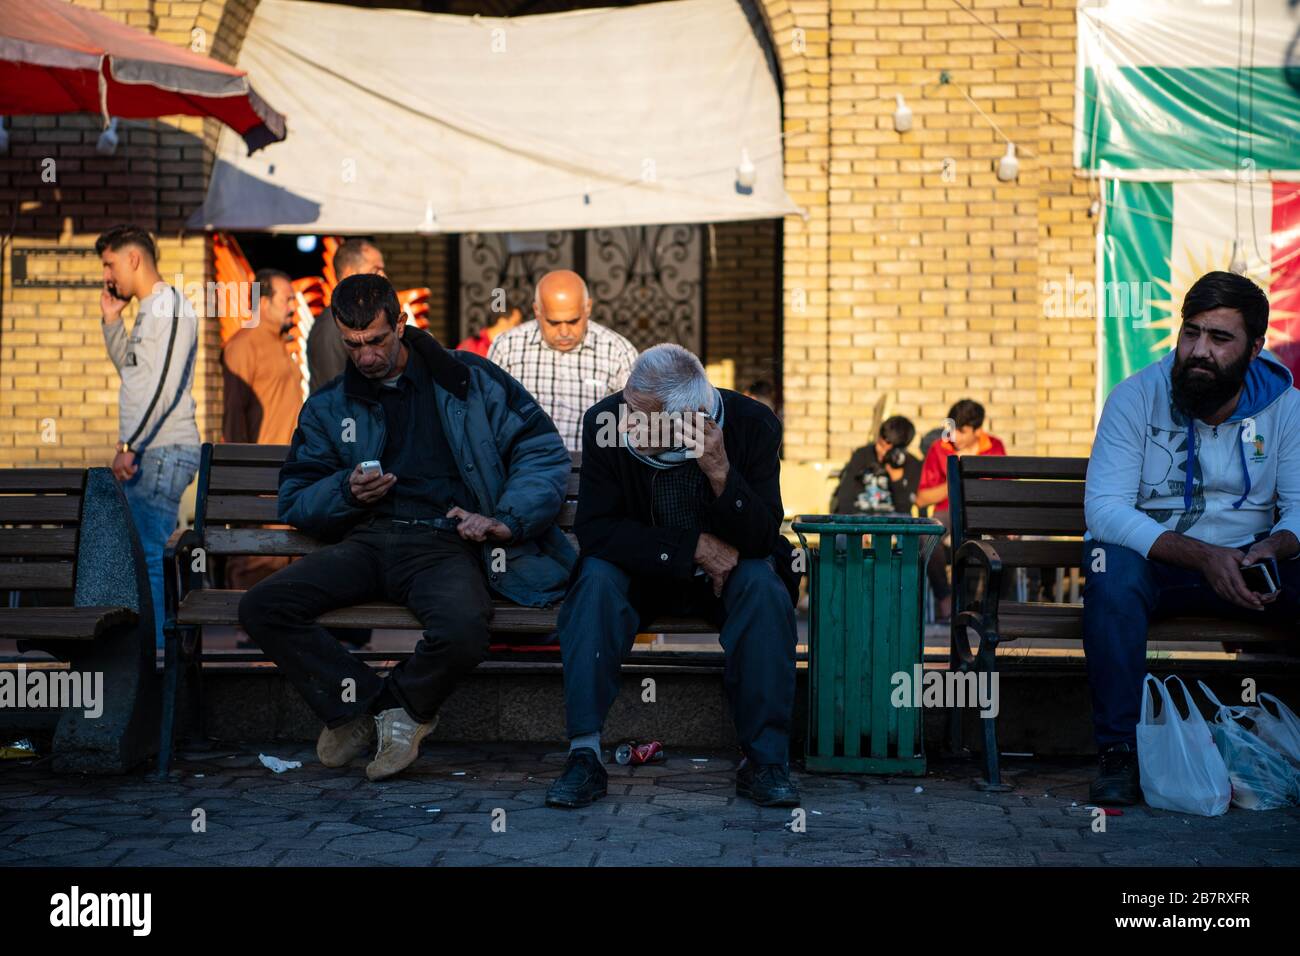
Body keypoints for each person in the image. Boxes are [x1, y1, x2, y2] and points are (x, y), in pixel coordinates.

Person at [237, 274, 574, 781]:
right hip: (369, 541)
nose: (366, 356)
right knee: (261, 606)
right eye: (353, 345)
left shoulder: (467, 378)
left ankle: (400, 711)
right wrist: (346, 492)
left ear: (400, 323)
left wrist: (504, 518)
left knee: (463, 631)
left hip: (447, 542)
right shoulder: (331, 405)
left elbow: (540, 450)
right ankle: (364, 709)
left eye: (376, 340)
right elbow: (296, 497)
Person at [545, 344, 802, 809]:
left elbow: (764, 535)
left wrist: (722, 474)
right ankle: (583, 754)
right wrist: (695, 548)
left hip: (726, 579)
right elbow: (598, 531)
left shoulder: (751, 424)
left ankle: (765, 761)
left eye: (642, 417)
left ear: (694, 419)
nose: (627, 424)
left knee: (764, 589)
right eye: (628, 407)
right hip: (642, 575)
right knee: (595, 583)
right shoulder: (605, 420)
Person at [1083, 271, 1300, 806]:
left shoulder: (1286, 407)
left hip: (1247, 563)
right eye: (1191, 333)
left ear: (1254, 348)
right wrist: (1204, 557)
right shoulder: (1135, 397)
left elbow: (1298, 506)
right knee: (1109, 570)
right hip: (1158, 563)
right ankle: (1118, 751)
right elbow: (1104, 509)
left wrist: (1275, 546)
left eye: (1219, 338)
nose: (1199, 351)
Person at [96, 224, 201, 649]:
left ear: (133, 259)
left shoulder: (170, 307)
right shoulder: (148, 313)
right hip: (151, 449)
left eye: (110, 263)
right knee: (146, 554)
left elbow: (164, 387)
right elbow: (136, 376)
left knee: (151, 557)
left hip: (162, 450)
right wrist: (111, 322)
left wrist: (129, 446)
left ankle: (159, 656)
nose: (107, 274)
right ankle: (156, 650)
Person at [221, 269, 304, 599]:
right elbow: (233, 418)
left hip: (291, 469)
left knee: (286, 551)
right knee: (257, 554)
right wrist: (242, 477)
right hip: (260, 473)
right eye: (287, 299)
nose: (293, 307)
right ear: (265, 302)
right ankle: (243, 622)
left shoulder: (281, 344)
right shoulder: (242, 346)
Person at [487, 270, 638, 451]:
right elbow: (489, 417)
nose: (564, 331)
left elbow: (636, 424)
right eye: (554, 322)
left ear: (588, 308)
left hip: (594, 471)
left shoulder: (618, 352)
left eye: (573, 321)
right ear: (537, 311)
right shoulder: (507, 348)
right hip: (525, 470)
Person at [915, 400, 1007, 623]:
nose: (954, 436)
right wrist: (954, 479)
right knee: (927, 533)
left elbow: (1005, 488)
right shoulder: (939, 448)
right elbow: (922, 498)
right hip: (948, 511)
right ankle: (944, 599)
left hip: (987, 511)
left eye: (962, 431)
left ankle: (997, 605)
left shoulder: (994, 446)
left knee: (1010, 536)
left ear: (977, 430)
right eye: (952, 428)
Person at [306, 238, 386, 393]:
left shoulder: (356, 319)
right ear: (350, 273)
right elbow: (333, 397)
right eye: (375, 270)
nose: (384, 277)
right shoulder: (332, 325)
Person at [831, 415, 922, 516]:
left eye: (884, 447)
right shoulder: (862, 455)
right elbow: (845, 494)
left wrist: (897, 481)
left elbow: (904, 508)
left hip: (893, 523)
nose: (878, 448)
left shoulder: (911, 464)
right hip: (861, 519)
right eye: (878, 443)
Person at [457, 306, 524, 357]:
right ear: (502, 321)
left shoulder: (512, 346)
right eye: (516, 323)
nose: (519, 328)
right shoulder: (472, 345)